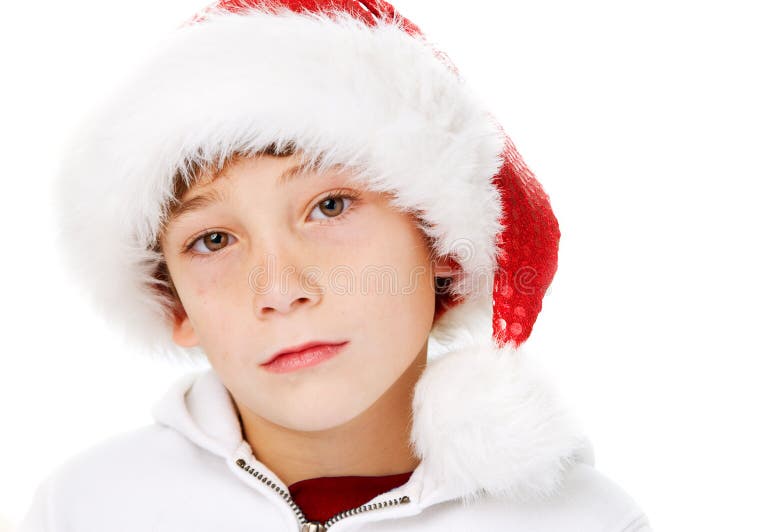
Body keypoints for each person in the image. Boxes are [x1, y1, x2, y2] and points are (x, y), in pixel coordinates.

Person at [18, 1, 652, 530]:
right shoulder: (85, 509)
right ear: (174, 303)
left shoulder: (584, 522)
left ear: (441, 242)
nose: (280, 289)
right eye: (213, 240)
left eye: (330, 206)